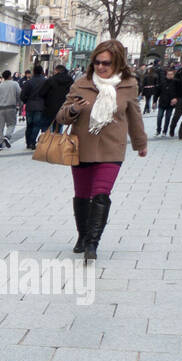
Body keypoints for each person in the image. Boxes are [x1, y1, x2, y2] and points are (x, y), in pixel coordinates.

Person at [55, 40, 148, 263]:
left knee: (101, 194)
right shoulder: (81, 84)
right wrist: (74, 109)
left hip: (111, 149)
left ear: (117, 63)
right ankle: (82, 235)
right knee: (82, 195)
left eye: (106, 63)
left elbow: (134, 116)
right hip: (82, 147)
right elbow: (61, 116)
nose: (100, 67)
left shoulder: (128, 85)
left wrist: (140, 143)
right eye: (97, 62)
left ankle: (92, 243)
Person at [40, 64, 74, 133]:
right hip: (63, 108)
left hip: (49, 109)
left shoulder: (51, 80)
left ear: (57, 71)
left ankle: (46, 142)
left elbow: (42, 93)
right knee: (58, 128)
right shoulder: (71, 81)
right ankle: (57, 142)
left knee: (46, 128)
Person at [21, 64, 48, 149]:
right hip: (40, 106)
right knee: (37, 125)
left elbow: (22, 95)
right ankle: (33, 142)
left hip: (30, 106)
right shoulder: (45, 81)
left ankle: (28, 142)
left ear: (33, 71)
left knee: (29, 125)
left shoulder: (28, 82)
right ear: (42, 71)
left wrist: (26, 101)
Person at [0, 70, 22, 148]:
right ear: (10, 76)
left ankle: (0, 142)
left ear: (3, 77)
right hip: (11, 107)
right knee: (11, 124)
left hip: (0, 108)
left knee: (0, 126)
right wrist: (20, 104)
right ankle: (7, 136)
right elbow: (20, 95)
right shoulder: (15, 84)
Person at [156, 67, 179, 135]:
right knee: (159, 117)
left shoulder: (176, 82)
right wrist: (154, 101)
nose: (170, 76)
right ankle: (158, 130)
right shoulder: (162, 82)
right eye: (169, 74)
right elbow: (158, 92)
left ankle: (165, 131)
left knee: (167, 118)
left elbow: (179, 92)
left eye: (171, 74)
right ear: (166, 75)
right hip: (162, 102)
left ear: (173, 75)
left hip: (171, 104)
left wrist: (176, 98)